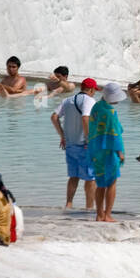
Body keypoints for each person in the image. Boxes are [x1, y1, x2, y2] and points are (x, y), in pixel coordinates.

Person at [52, 78, 98, 211]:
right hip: (84, 145)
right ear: (90, 89)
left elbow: (54, 117)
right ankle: (89, 207)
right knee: (90, 178)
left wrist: (62, 136)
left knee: (74, 176)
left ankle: (68, 204)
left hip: (70, 145)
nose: (94, 93)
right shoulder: (89, 100)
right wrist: (89, 139)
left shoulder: (68, 100)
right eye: (94, 90)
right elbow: (85, 117)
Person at [88, 82, 125, 223]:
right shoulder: (111, 112)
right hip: (110, 151)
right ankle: (107, 214)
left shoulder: (96, 107)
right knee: (112, 183)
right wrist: (120, 152)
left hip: (96, 150)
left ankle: (99, 214)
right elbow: (115, 133)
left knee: (100, 183)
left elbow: (93, 128)